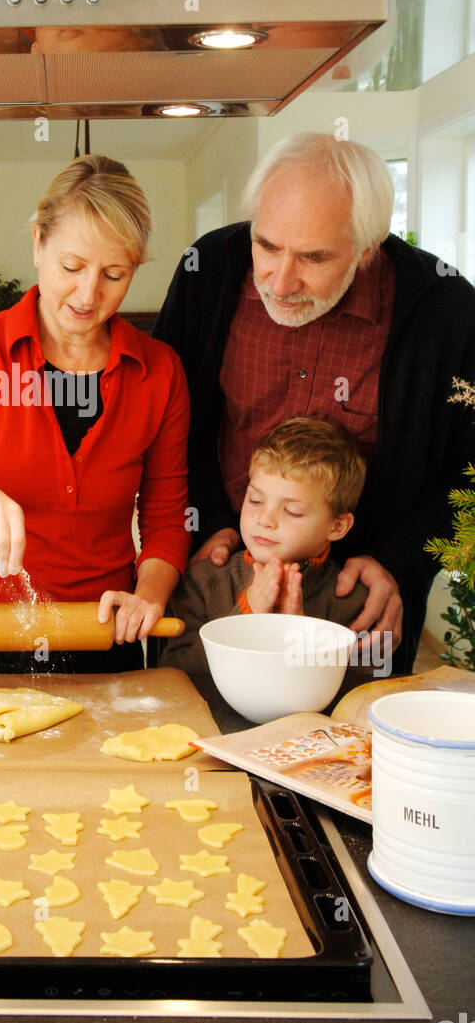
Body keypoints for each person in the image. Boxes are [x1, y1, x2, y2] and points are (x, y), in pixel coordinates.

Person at [154, 131, 475, 675]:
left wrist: (401, 562)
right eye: (268, 245)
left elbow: (469, 475)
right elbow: (163, 418)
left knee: (337, 754)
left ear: (369, 247)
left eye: (314, 257)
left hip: (357, 603)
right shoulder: (208, 269)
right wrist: (203, 523)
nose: (279, 282)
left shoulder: (444, 313)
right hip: (215, 577)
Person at [0, 154, 190, 673]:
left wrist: (149, 595)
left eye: (114, 274)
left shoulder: (159, 371)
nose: (89, 294)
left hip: (102, 630)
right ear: (37, 243)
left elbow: (165, 519)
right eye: (72, 267)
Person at [165, 417, 369, 676]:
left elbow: (363, 690)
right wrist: (242, 619)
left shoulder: (354, 600)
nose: (264, 519)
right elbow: (174, 673)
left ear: (337, 527)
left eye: (292, 511)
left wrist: (301, 640)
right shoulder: (203, 579)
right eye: (255, 500)